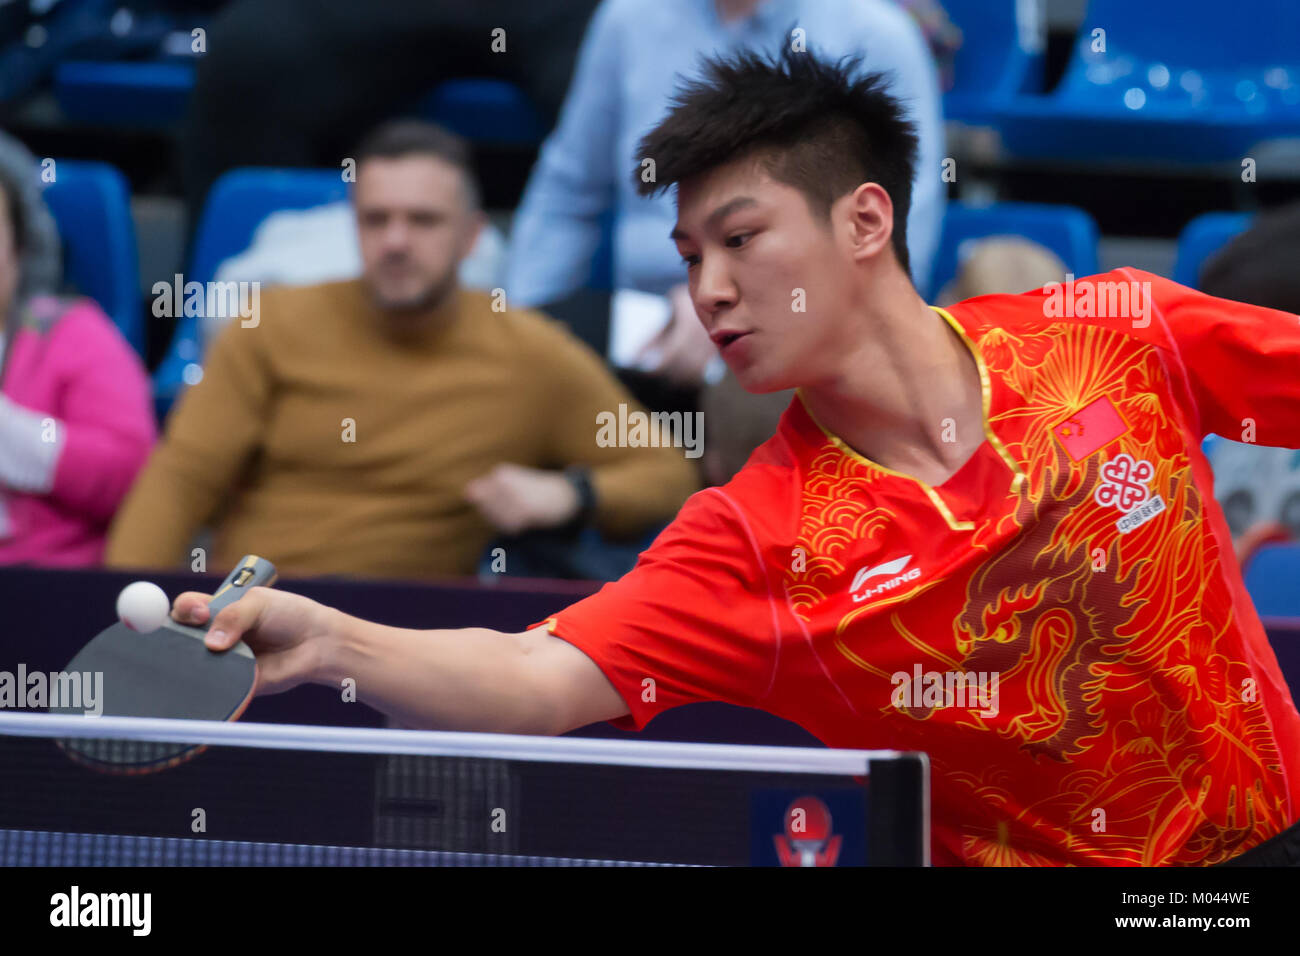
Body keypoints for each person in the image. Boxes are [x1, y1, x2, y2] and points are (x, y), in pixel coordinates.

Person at [168, 50, 1300, 867]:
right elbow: (532, 679)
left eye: (740, 239)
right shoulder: (757, 540)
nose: (704, 288)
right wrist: (332, 641)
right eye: (688, 253)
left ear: (864, 221)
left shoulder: (1110, 332)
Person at [106, 121, 698, 581]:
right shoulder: (271, 323)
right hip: (257, 614)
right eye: (376, 219)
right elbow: (180, 481)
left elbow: (667, 475)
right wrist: (116, 618)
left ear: (470, 237)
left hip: (416, 644)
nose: (395, 241)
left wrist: (571, 495)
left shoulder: (530, 354)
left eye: (422, 221)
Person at [505, 0, 945, 388]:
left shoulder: (876, 33)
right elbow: (567, 191)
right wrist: (518, 331)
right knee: (529, 356)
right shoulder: (627, 18)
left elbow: (898, 246)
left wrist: (736, 311)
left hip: (803, 331)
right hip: (647, 327)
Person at [0, 165, 156, 566]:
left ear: (18, 251)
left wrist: (18, 440)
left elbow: (134, 474)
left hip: (45, 586)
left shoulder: (72, 333)